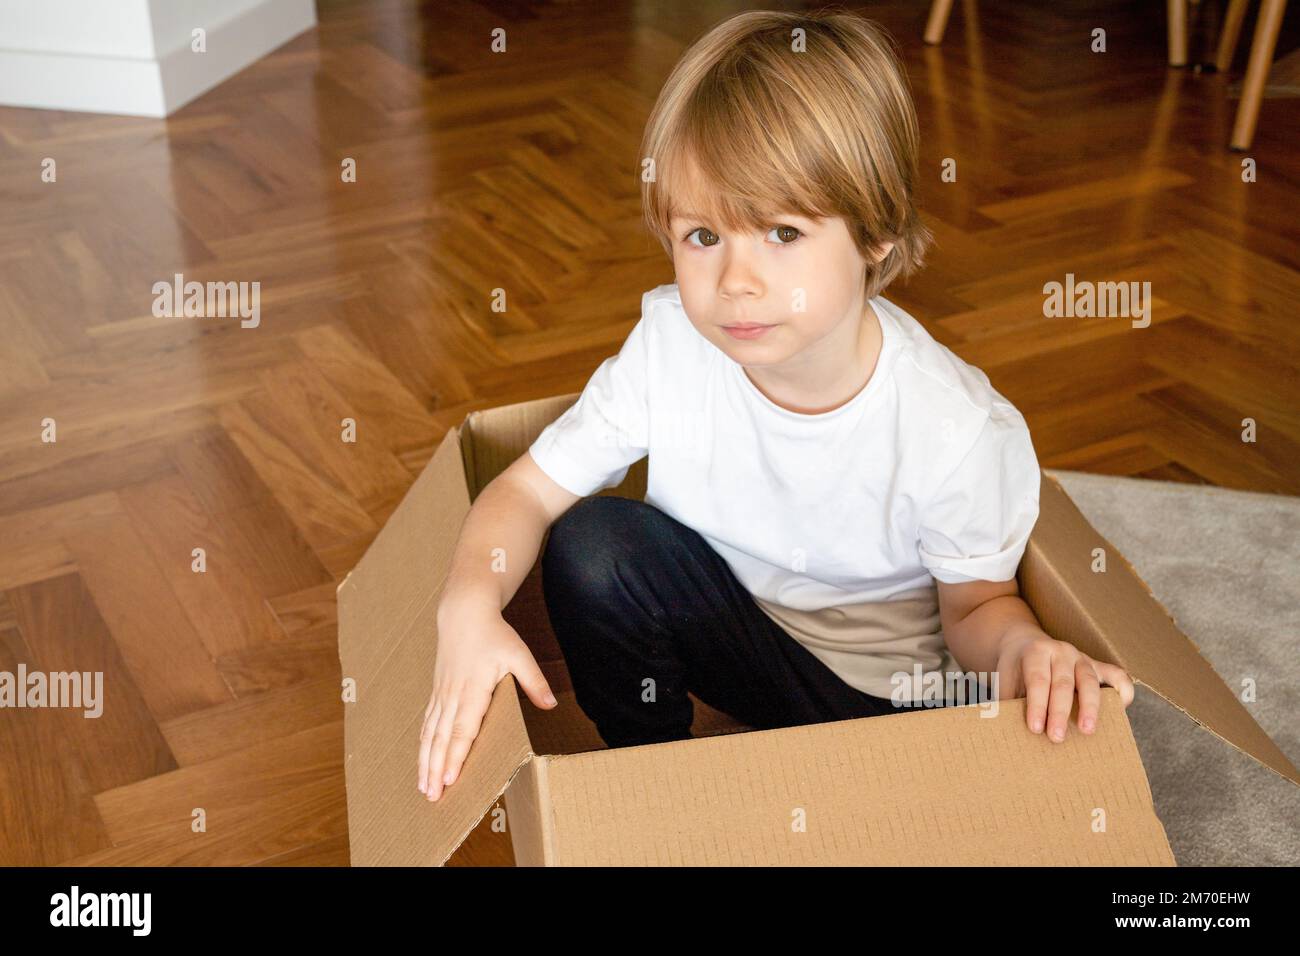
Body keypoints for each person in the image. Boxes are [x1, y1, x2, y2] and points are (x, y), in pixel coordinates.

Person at [418, 9, 1135, 801]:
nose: (737, 280)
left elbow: (976, 610)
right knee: (593, 542)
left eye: (783, 233)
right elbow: (524, 490)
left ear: (876, 237)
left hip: (883, 705)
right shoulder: (670, 349)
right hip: (736, 652)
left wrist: (1028, 651)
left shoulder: (955, 428)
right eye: (701, 236)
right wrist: (468, 605)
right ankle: (647, 789)